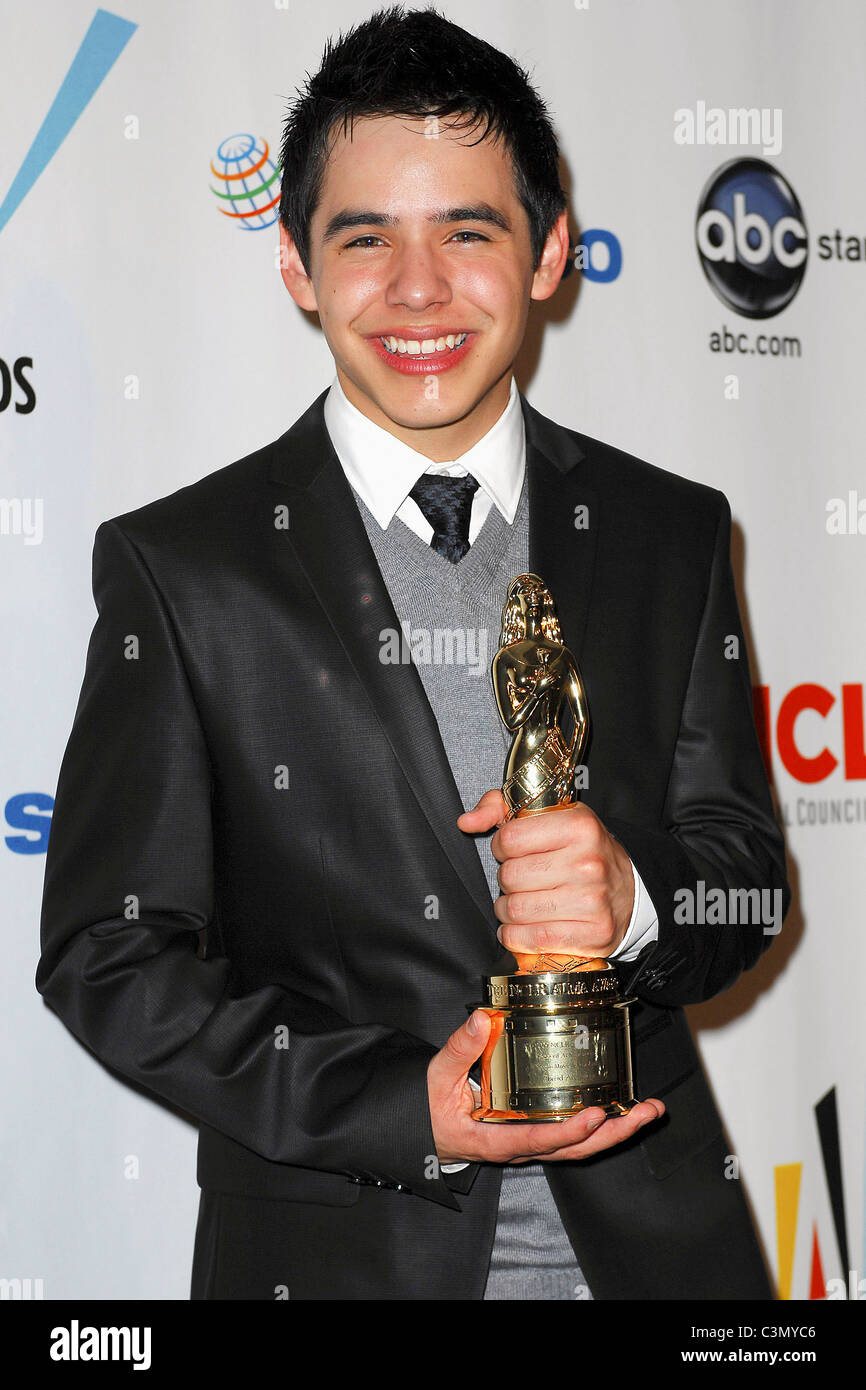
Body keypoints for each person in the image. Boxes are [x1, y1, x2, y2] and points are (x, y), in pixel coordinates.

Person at [37, 4, 789, 1300]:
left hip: (661, 1256)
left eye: (468, 231)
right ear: (294, 264)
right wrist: (402, 1105)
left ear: (550, 251)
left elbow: (744, 881)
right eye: (364, 236)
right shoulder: (187, 569)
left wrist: (634, 899)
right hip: (335, 1256)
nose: (419, 289)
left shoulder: (671, 531)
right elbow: (109, 957)